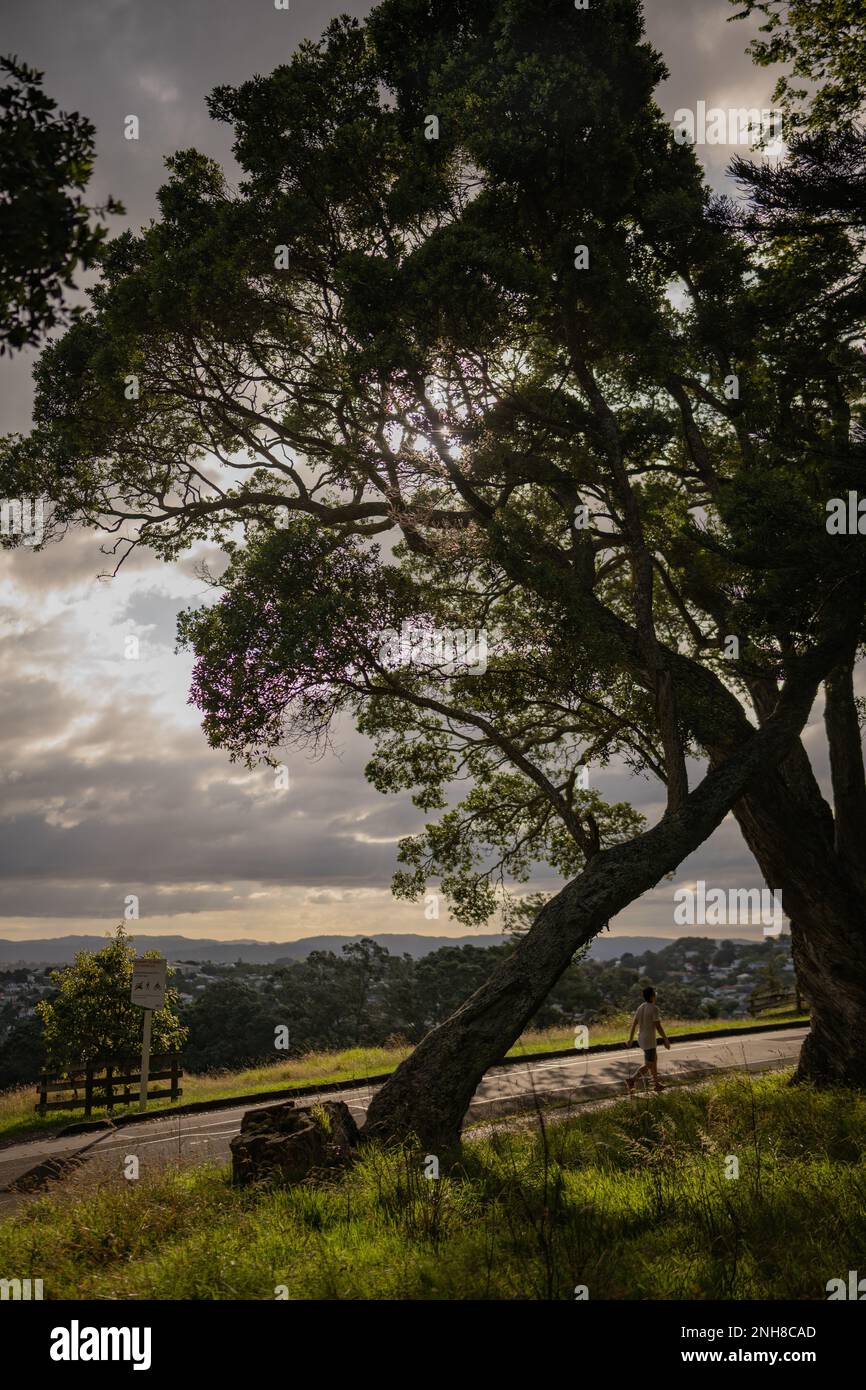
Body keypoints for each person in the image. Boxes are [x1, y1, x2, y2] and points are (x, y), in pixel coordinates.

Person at [627, 985, 670, 1094]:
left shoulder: (640, 1007)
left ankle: (656, 1084)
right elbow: (658, 1026)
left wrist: (630, 1039)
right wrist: (665, 1039)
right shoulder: (654, 1008)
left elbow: (634, 1024)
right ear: (652, 997)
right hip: (649, 1039)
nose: (656, 995)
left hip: (641, 1038)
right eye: (655, 994)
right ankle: (632, 1079)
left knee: (654, 1059)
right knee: (649, 1064)